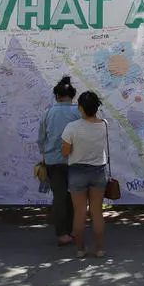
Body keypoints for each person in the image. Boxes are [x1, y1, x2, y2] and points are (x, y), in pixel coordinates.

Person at [61, 91, 109, 257]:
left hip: (76, 172)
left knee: (79, 212)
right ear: (97, 108)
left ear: (80, 108)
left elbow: (65, 152)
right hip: (98, 170)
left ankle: (80, 249)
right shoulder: (104, 124)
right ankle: (100, 249)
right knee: (97, 212)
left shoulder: (71, 127)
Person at [38, 76, 81, 246]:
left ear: (56, 96)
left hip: (53, 161)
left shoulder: (47, 113)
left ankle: (62, 233)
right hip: (75, 160)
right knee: (74, 197)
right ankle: (72, 230)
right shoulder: (78, 112)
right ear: (72, 96)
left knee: (59, 197)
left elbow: (41, 139)